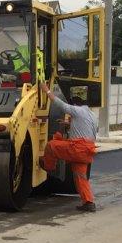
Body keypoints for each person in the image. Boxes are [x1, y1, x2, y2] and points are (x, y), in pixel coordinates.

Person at [42, 82, 98, 212]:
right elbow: (88, 130)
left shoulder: (76, 110)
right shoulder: (91, 115)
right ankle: (89, 202)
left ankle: (49, 168)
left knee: (51, 145)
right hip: (88, 151)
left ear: (75, 103)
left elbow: (60, 105)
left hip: (78, 149)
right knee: (80, 177)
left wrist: (46, 90)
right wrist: (68, 124)